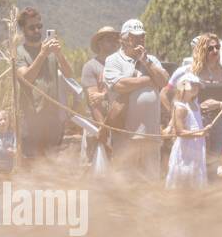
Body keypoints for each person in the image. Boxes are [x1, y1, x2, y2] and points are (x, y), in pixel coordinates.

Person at [101, 19, 170, 177]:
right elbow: (120, 85)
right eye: (134, 37)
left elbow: (164, 80)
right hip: (125, 135)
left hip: (151, 135)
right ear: (123, 40)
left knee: (151, 181)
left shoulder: (151, 59)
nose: (139, 40)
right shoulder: (113, 60)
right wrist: (148, 80)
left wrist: (145, 61)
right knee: (125, 181)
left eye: (142, 37)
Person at [13, 6, 74, 158]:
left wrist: (59, 54)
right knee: (31, 164)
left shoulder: (50, 50)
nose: (37, 31)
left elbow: (69, 74)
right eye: (32, 27)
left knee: (51, 164)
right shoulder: (19, 52)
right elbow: (26, 79)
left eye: (39, 26)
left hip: (52, 117)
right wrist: (42, 55)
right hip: (30, 118)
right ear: (23, 29)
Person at [81, 25, 120, 159]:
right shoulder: (91, 67)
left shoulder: (120, 67)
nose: (114, 42)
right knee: (94, 167)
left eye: (115, 39)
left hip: (117, 126)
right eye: (109, 39)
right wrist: (102, 128)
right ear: (100, 43)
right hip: (96, 127)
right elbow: (93, 101)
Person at [165, 72, 208, 189]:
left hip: (197, 146)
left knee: (196, 178)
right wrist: (200, 133)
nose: (195, 87)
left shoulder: (195, 104)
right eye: (192, 84)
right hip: (186, 148)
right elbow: (180, 132)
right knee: (183, 177)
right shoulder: (180, 107)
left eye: (197, 85)